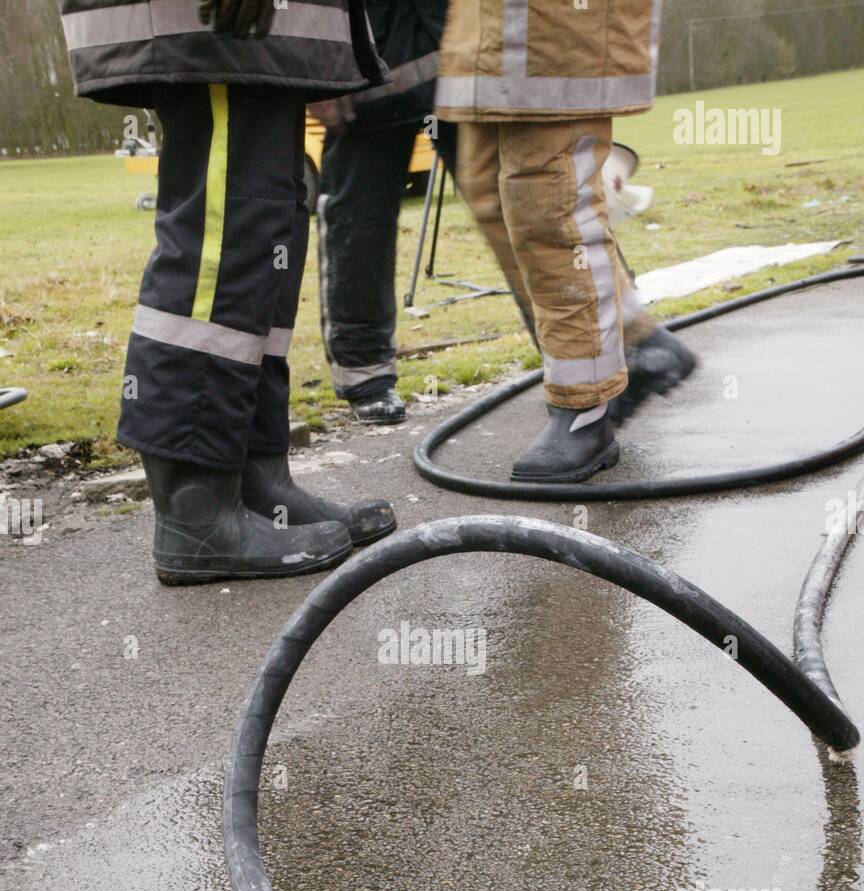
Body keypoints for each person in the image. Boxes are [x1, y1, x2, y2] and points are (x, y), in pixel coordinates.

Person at [59, 0, 397, 585]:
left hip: (257, 35)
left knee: (269, 229)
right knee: (226, 232)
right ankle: (196, 505)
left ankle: (258, 485)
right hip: (216, 26)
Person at [436, 0, 696, 484]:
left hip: (558, 30)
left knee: (549, 209)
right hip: (488, 33)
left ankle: (585, 407)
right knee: (488, 188)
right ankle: (634, 341)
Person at [311, 0, 455, 424]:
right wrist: (320, 70)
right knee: (359, 228)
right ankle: (365, 377)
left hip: (461, 65)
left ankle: (571, 364)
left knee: (513, 213)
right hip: (363, 78)